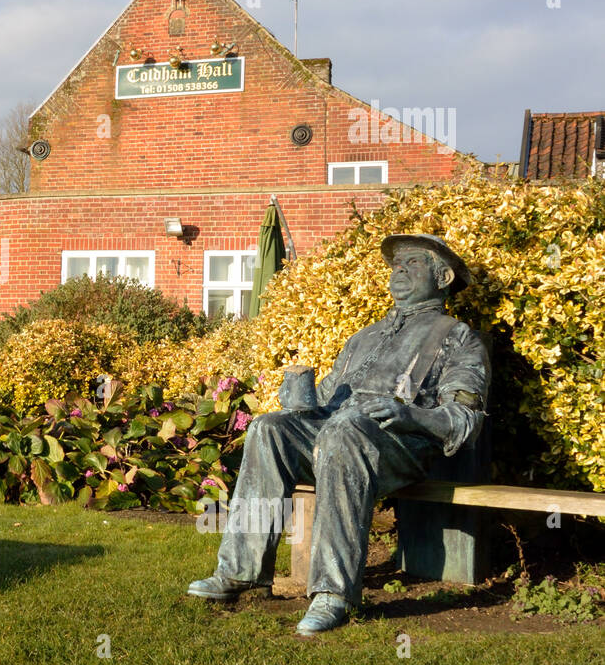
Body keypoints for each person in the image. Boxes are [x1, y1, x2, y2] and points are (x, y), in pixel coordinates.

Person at [187, 234, 490, 635]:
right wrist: (301, 401)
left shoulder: (457, 336)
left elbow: (465, 419)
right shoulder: (363, 337)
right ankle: (242, 572)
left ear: (444, 276)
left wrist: (410, 414)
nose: (399, 269)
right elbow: (328, 402)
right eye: (397, 264)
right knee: (269, 427)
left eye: (413, 263)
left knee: (344, 430)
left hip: (403, 445)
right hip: (337, 434)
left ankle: (333, 592)